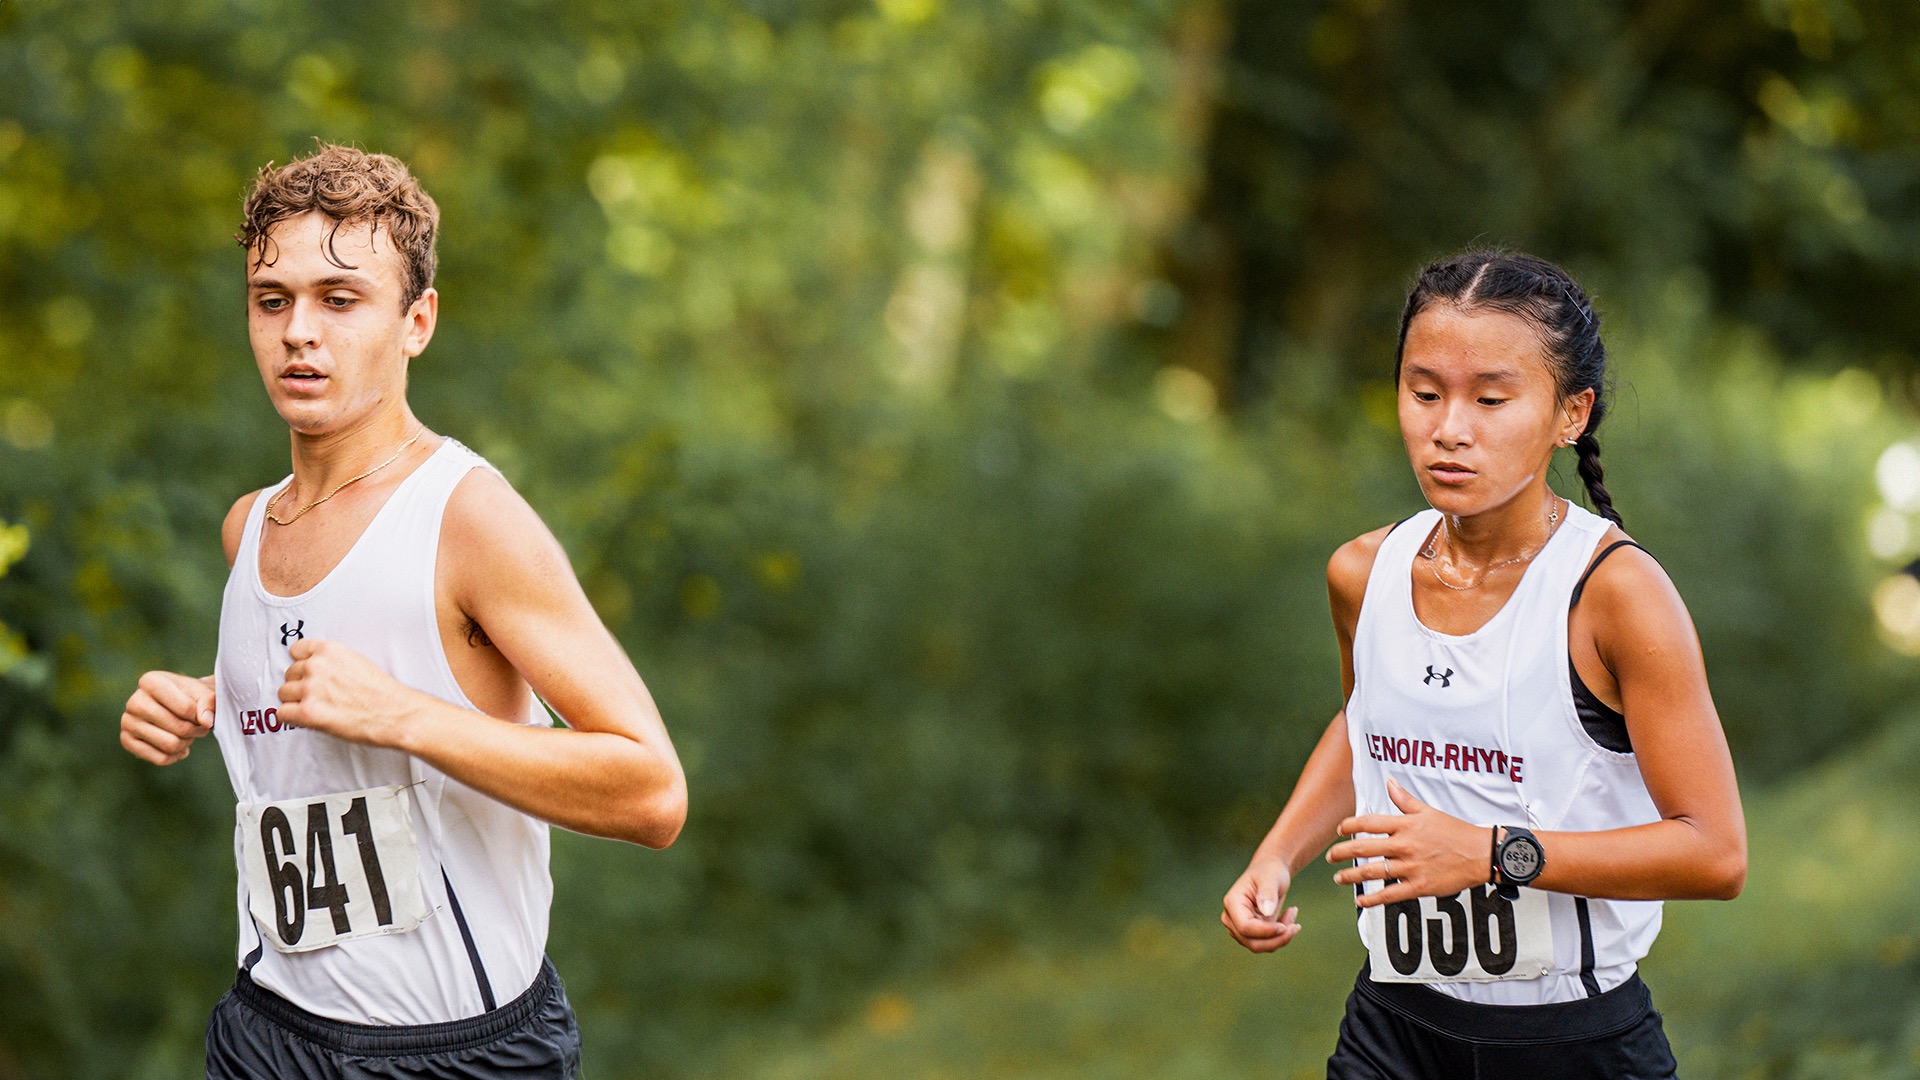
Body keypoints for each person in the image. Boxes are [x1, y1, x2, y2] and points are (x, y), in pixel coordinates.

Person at [117, 143, 687, 1079]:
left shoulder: (467, 517)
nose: (300, 332)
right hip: (269, 1031)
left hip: (456, 1053)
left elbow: (653, 793)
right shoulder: (248, 527)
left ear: (416, 321)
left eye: (340, 300)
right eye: (272, 300)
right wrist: (210, 696)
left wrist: (404, 717)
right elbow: (330, 688)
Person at [1220, 251, 1746, 1078]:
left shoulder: (1614, 594)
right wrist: (1277, 855)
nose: (1450, 429)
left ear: (1571, 413)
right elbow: (1364, 727)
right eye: (1425, 393)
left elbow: (1715, 854)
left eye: (1491, 400)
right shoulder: (1363, 572)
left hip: (1575, 1043)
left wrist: (1496, 852)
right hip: (1393, 1027)